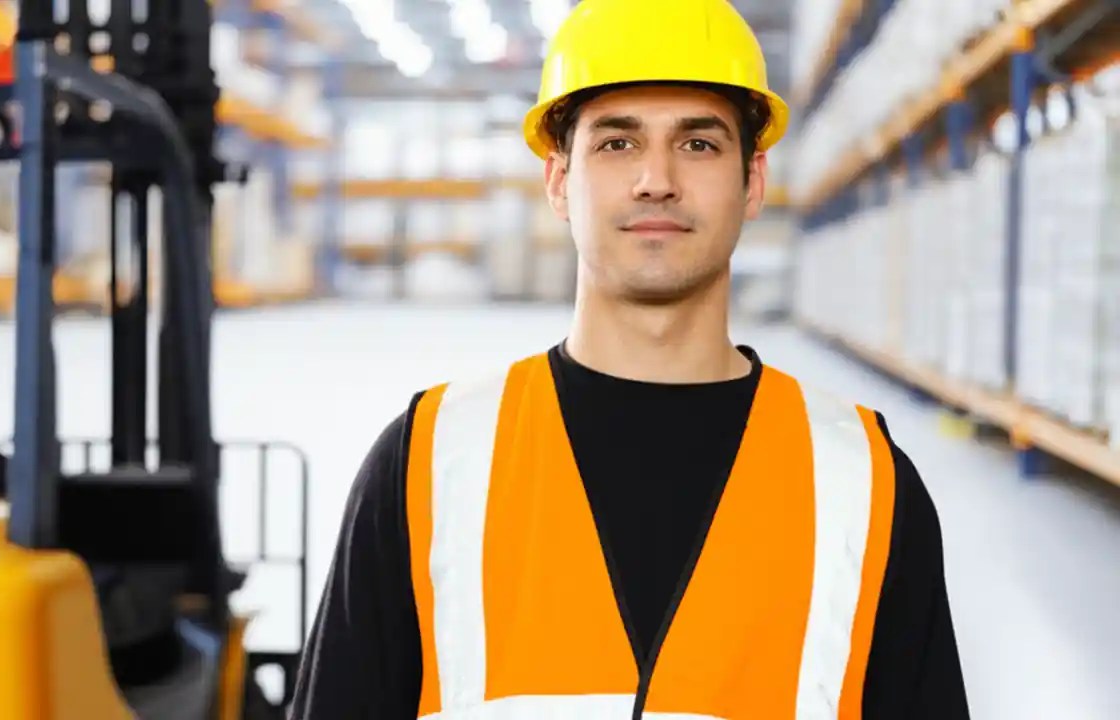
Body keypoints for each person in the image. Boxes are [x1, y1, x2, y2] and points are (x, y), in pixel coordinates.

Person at [289, 0, 969, 717]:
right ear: (558, 182)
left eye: (698, 144)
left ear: (755, 180)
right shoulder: (427, 467)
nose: (656, 179)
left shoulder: (864, 484)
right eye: (617, 143)